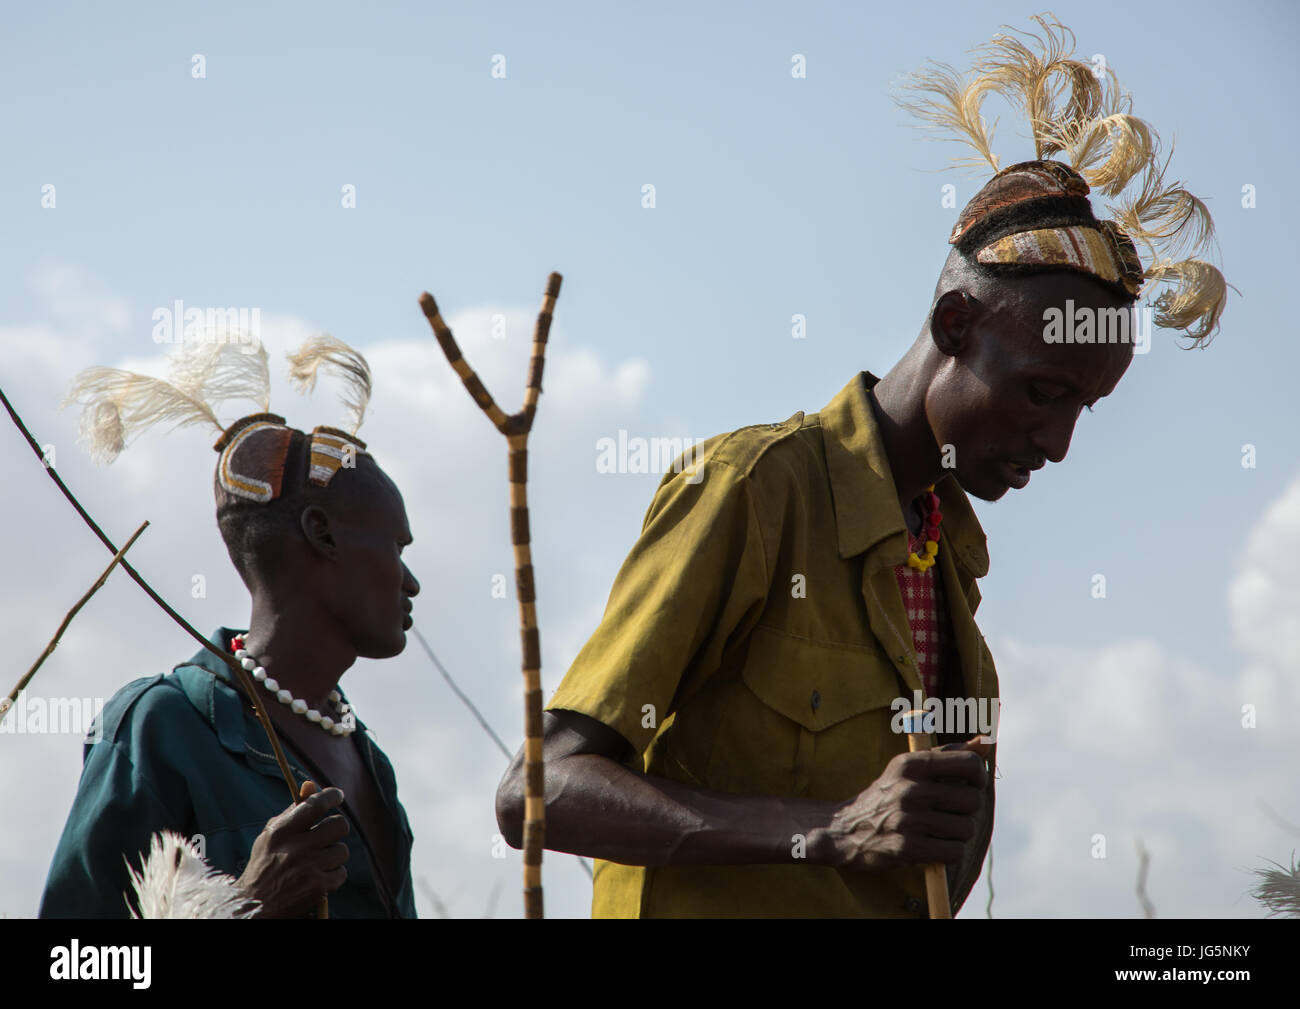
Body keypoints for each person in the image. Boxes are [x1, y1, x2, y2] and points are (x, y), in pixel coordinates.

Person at [496, 15, 1229, 917]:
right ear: (956, 326)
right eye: (1043, 392)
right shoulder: (754, 487)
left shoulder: (949, 563)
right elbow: (539, 790)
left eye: (1084, 408)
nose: (1059, 442)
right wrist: (829, 827)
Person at [39, 334, 421, 918]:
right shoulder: (161, 728)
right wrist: (248, 903)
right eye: (396, 547)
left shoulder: (371, 763)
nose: (410, 581)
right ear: (323, 534)